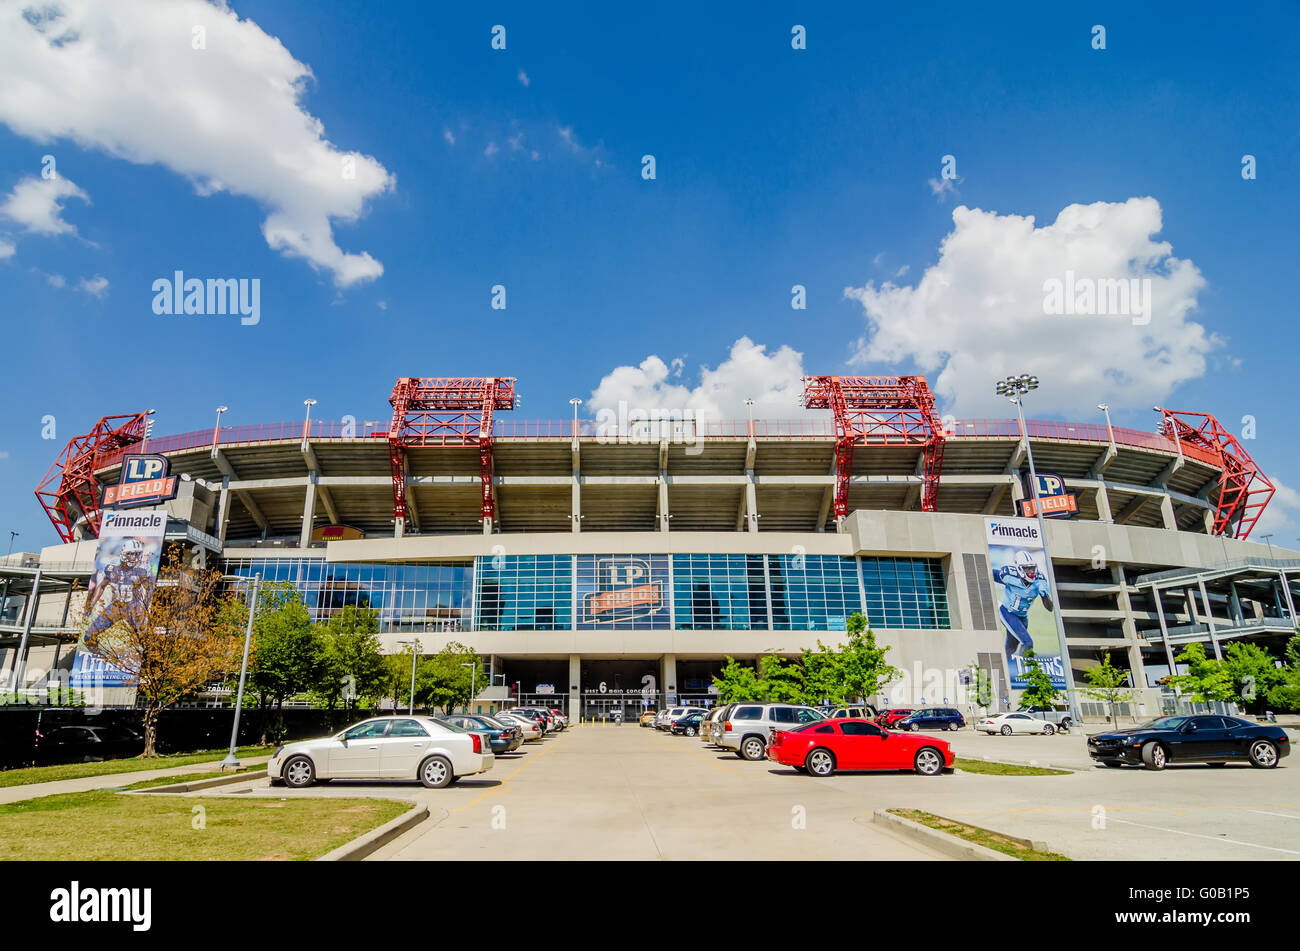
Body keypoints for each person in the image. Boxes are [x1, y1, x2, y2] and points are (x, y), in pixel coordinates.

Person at [993, 550, 1053, 659]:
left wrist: (1044, 595)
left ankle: (1003, 665)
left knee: (1011, 647)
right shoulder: (1010, 576)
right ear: (1019, 568)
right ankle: (1026, 671)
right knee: (1028, 643)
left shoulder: (1039, 581)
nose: (1031, 571)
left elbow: (1050, 608)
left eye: (1032, 568)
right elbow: (989, 573)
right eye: (1027, 568)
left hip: (1023, 616)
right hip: (1007, 611)